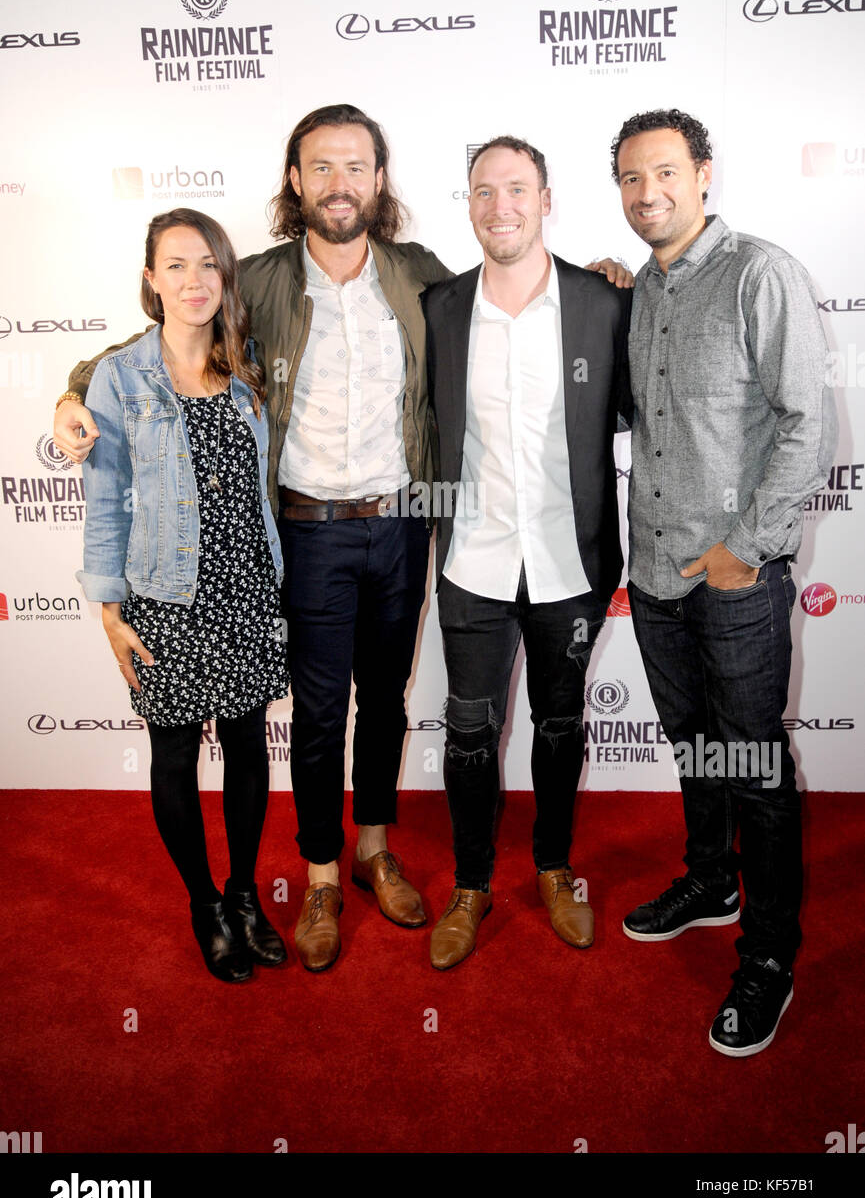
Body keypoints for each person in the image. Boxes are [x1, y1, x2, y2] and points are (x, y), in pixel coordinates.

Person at [56, 104, 628, 974]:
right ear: (295, 182)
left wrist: (604, 284)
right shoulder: (255, 279)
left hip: (400, 523)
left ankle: (372, 850)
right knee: (320, 713)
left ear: (379, 180)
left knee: (388, 702)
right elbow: (162, 336)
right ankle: (319, 874)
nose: (338, 184)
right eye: (320, 168)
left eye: (354, 167)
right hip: (306, 529)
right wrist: (72, 388)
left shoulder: (420, 275)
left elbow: (516, 289)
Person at [611, 108, 837, 1055]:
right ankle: (712, 878)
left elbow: (804, 422)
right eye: (629, 178)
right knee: (693, 742)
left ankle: (770, 955)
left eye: (664, 171)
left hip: (733, 577)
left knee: (750, 760)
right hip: (656, 568)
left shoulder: (760, 273)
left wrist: (747, 544)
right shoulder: (639, 291)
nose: (646, 192)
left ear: (703, 174)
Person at [422, 137, 632, 969]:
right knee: (468, 731)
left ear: (545, 199)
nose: (498, 205)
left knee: (560, 722)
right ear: (467, 204)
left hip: (568, 562)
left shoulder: (602, 302)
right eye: (482, 190)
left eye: (516, 189)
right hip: (471, 560)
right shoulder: (437, 305)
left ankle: (553, 868)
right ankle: (470, 884)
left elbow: (635, 409)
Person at [75, 208, 289, 983]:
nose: (194, 281)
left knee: (245, 745)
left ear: (225, 276)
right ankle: (203, 903)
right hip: (165, 595)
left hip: (246, 588)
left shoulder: (250, 365)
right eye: (175, 266)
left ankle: (243, 894)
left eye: (207, 265)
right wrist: (108, 611)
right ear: (150, 279)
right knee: (173, 751)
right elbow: (106, 501)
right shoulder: (119, 377)